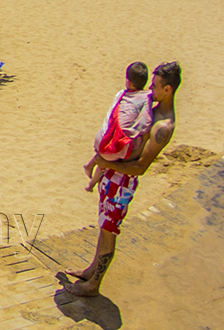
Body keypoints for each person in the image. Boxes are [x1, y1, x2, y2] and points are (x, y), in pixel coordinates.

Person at [69, 62, 180, 297]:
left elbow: (140, 167)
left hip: (123, 181)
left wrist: (103, 162)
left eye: (156, 85)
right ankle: (91, 271)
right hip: (114, 173)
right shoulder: (152, 106)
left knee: (109, 230)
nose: (151, 87)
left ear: (168, 89)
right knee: (103, 225)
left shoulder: (164, 126)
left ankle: (93, 286)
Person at [84, 62, 153, 192]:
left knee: (107, 145)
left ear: (128, 81)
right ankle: (92, 180)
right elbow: (145, 123)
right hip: (114, 148)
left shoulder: (120, 94)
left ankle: (90, 171)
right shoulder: (146, 97)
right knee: (113, 151)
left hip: (100, 137)